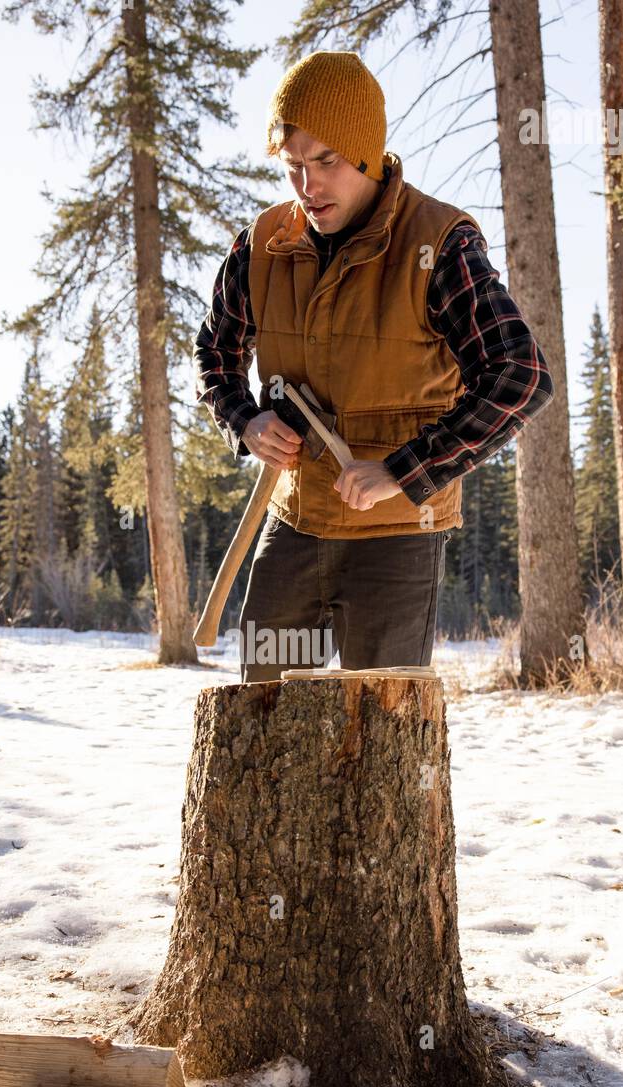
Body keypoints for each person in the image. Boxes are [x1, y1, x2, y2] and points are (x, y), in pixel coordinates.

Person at [193, 49, 554, 682]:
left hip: (398, 537)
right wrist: (244, 422)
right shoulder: (262, 246)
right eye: (294, 165)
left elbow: (518, 376)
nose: (309, 186)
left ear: (366, 152)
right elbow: (215, 354)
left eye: (327, 161)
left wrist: (403, 470)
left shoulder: (438, 243)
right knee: (266, 718)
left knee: (382, 731)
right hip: (294, 523)